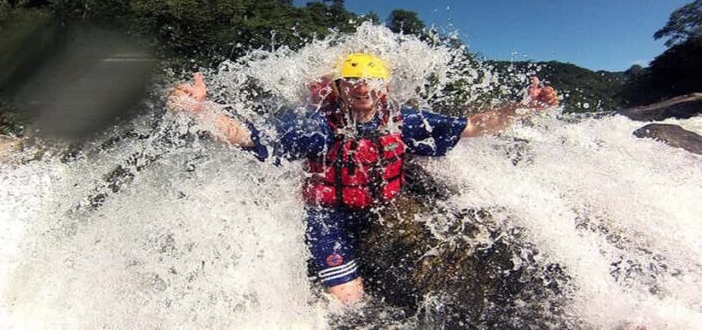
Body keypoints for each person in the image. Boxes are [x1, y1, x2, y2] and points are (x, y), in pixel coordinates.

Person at [167, 53, 558, 304]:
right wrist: (199, 112)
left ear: (383, 88)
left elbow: (474, 124)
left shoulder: (405, 122)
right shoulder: (316, 126)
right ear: (338, 88)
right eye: (352, 84)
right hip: (328, 217)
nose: (362, 91)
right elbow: (248, 135)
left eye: (370, 85)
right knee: (350, 299)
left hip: (385, 210)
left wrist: (525, 108)